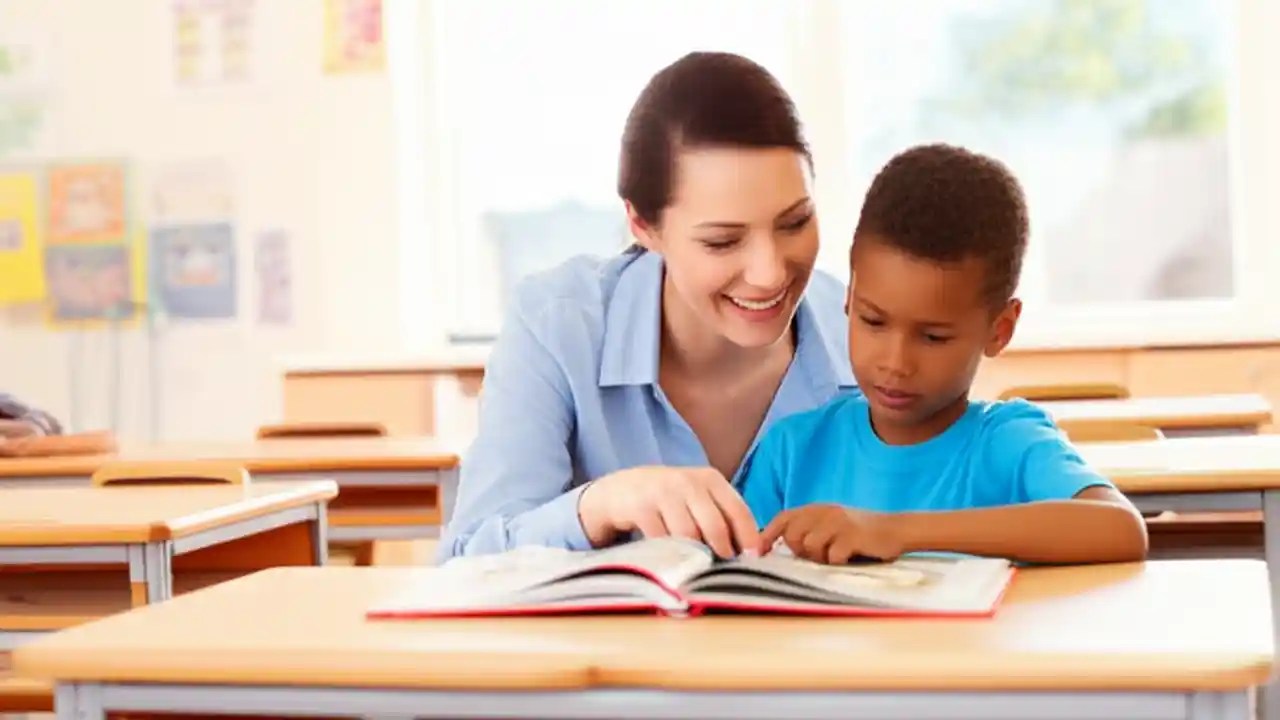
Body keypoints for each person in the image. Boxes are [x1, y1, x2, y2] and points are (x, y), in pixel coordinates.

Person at [439, 52, 857, 561]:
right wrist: (598, 505)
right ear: (643, 226)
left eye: (794, 223)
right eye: (722, 242)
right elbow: (464, 562)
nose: (770, 272)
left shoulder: (866, 331)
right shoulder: (558, 326)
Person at [740, 143, 1148, 565]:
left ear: (1000, 329)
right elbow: (735, 576)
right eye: (873, 321)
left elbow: (1120, 528)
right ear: (849, 298)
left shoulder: (1007, 442)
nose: (895, 362)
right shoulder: (793, 450)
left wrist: (895, 531)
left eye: (933, 337)